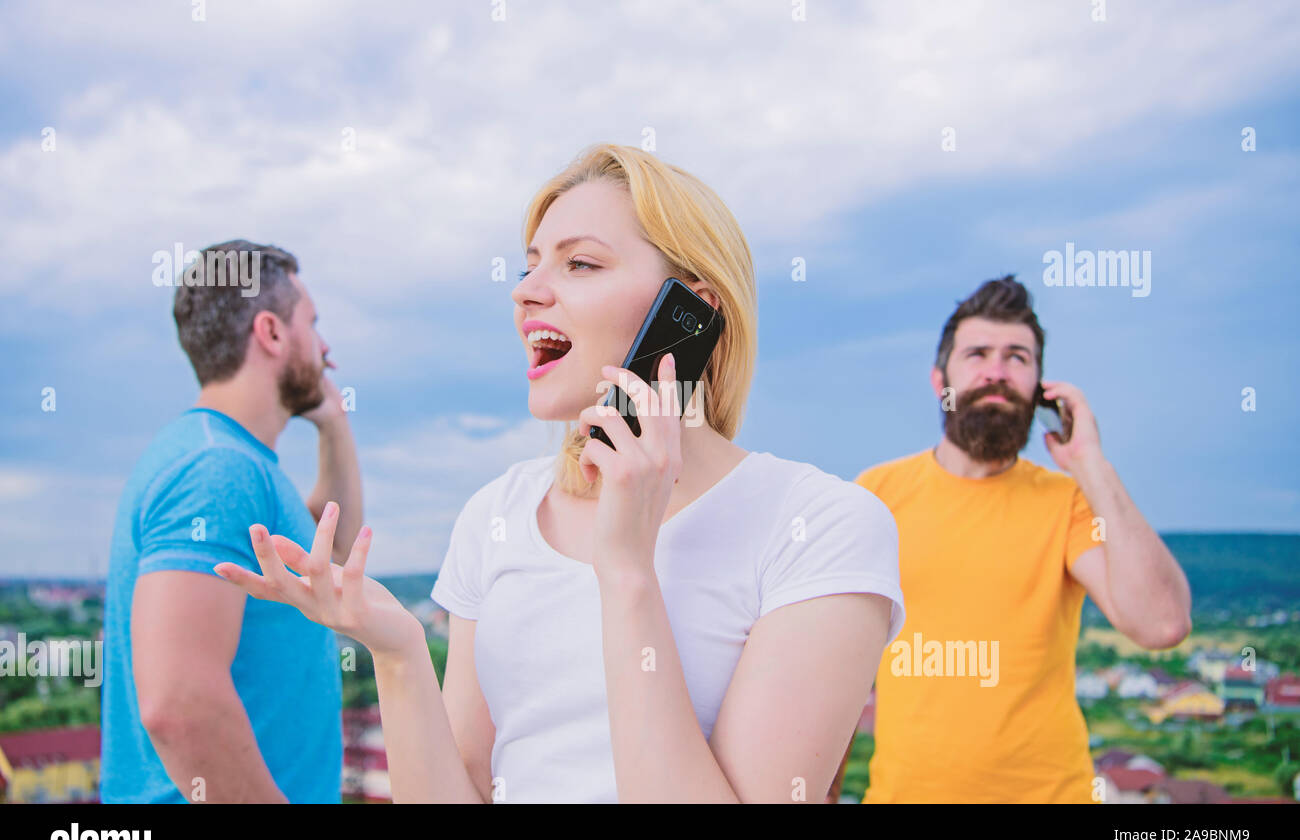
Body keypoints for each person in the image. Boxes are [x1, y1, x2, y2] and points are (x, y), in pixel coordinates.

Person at [216, 144, 906, 803]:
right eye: (529, 267)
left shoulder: (821, 527)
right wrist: (397, 655)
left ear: (692, 312)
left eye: (580, 265)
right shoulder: (497, 515)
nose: (525, 294)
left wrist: (627, 568)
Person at [829, 275, 1191, 804]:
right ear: (939, 379)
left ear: (1041, 386)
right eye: (977, 354)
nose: (996, 372)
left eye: (1017, 357)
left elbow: (1161, 623)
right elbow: (839, 671)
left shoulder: (1070, 501)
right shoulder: (875, 495)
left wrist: (1090, 463)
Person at [101, 240, 363, 803]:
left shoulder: (231, 460)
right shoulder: (217, 469)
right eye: (311, 325)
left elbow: (330, 554)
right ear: (270, 333)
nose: (323, 347)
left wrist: (334, 423)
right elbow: (178, 705)